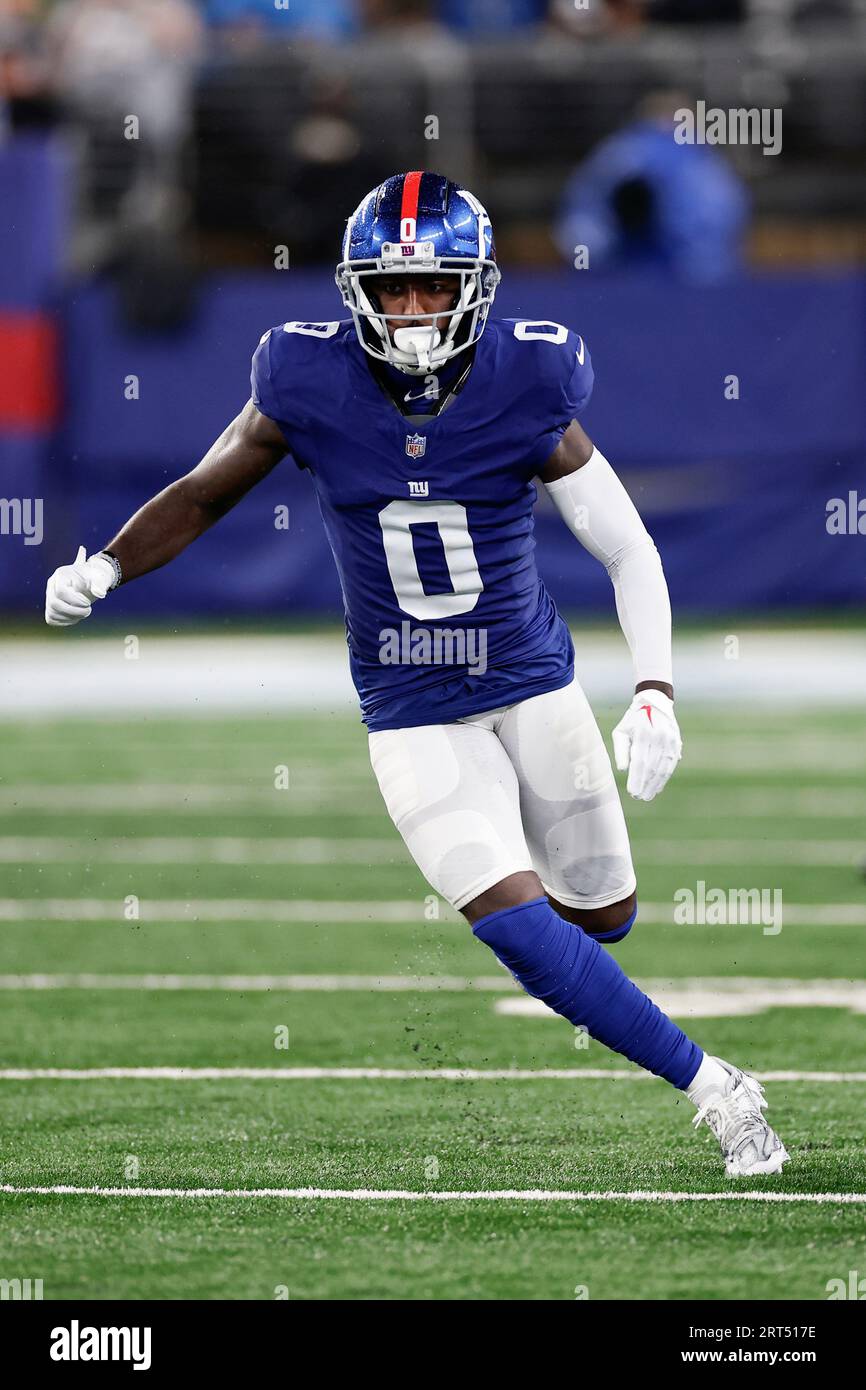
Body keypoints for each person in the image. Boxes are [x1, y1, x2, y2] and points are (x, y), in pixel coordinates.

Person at [45, 171, 788, 1176]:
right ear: (354, 288)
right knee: (516, 928)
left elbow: (628, 550)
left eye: (429, 286)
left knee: (602, 917)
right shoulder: (303, 379)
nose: (407, 309)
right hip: (408, 709)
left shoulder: (529, 381)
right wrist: (108, 563)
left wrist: (652, 690)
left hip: (531, 686)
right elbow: (204, 490)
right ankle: (717, 1090)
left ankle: (606, 961)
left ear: (472, 286)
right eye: (388, 288)